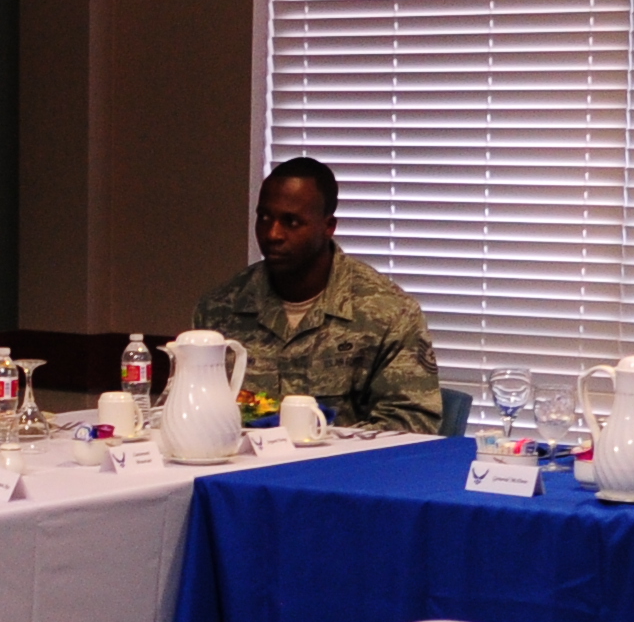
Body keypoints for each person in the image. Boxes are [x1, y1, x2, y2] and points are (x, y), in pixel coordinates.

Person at [187, 157, 445, 437]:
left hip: (340, 473)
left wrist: (318, 441)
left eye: (292, 222)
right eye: (264, 218)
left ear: (328, 226)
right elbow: (193, 409)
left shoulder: (387, 313)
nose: (273, 234)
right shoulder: (219, 309)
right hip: (238, 470)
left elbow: (412, 425)